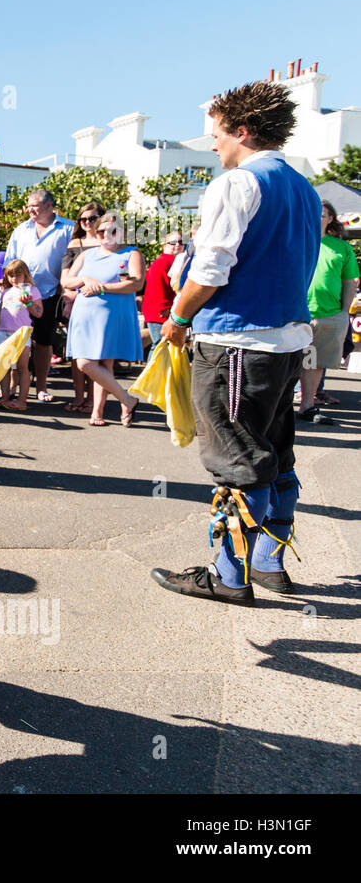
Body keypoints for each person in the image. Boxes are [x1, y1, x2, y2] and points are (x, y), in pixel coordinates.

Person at [152, 80, 319, 605]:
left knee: (237, 459)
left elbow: (211, 267)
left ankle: (228, 574)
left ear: (242, 132)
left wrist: (177, 316)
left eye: (218, 136)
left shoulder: (238, 184)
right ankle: (268, 563)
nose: (215, 147)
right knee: (275, 452)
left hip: (238, 339)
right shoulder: (304, 188)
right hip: (286, 339)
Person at [62, 211, 143, 426]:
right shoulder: (86, 255)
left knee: (101, 363)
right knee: (86, 363)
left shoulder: (130, 253)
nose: (106, 234)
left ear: (122, 232)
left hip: (112, 315)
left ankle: (97, 412)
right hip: (85, 315)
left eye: (113, 230)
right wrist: (84, 279)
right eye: (101, 231)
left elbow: (136, 284)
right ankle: (126, 400)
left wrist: (101, 288)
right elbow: (67, 281)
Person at [6, 188, 75, 403]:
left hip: (49, 293)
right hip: (20, 294)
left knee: (44, 341)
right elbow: (11, 260)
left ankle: (42, 387)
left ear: (48, 205)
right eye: (29, 205)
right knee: (16, 339)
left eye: (34, 206)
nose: (30, 210)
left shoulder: (68, 228)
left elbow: (73, 261)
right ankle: (11, 387)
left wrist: (66, 291)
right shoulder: (21, 229)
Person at [296, 200, 358, 424]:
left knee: (314, 362)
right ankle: (279, 407)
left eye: (322, 215)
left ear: (330, 219)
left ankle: (307, 406)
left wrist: (343, 312)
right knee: (286, 361)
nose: (317, 217)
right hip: (295, 314)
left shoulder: (341, 247)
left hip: (328, 315)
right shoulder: (296, 241)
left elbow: (350, 281)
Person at [60, 201, 105, 412]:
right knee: (78, 354)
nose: (87, 222)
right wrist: (70, 298)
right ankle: (79, 398)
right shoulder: (74, 244)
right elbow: (65, 278)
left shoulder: (111, 245)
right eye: (83, 219)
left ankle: (93, 402)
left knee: (99, 356)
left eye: (92, 218)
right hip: (78, 303)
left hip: (104, 305)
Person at [0, 259, 42, 409]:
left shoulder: (32, 291)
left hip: (21, 333)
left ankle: (22, 400)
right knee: (4, 367)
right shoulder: (6, 291)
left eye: (18, 275)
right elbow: (0, 312)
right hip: (4, 332)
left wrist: (28, 303)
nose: (14, 279)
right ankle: (5, 396)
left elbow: (39, 313)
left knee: (22, 367)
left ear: (25, 274)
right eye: (10, 275)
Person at [142, 231, 184, 349]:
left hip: (165, 311)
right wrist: (164, 307)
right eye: (173, 242)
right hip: (160, 312)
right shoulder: (162, 262)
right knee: (160, 346)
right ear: (164, 246)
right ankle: (153, 368)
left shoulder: (175, 262)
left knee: (164, 346)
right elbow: (157, 286)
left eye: (181, 242)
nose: (177, 245)